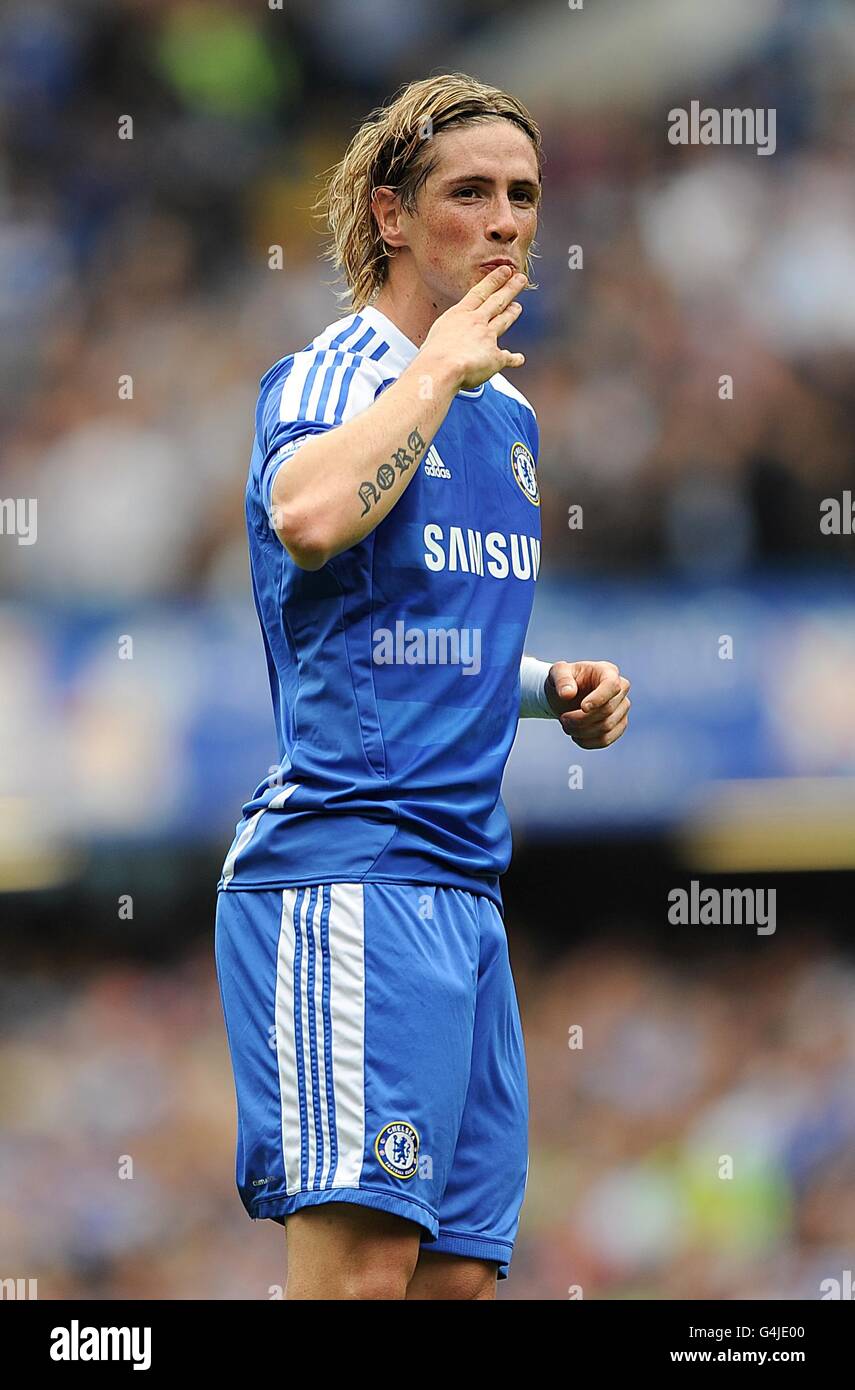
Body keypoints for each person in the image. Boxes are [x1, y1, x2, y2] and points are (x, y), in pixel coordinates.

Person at [214, 72, 630, 1301]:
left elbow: (427, 640)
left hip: (465, 891)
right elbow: (310, 517)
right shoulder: (340, 374)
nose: (505, 221)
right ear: (394, 217)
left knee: (455, 1286)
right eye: (470, 194)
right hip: (350, 874)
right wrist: (434, 373)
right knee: (360, 1284)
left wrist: (556, 686)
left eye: (523, 196)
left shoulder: (508, 419)